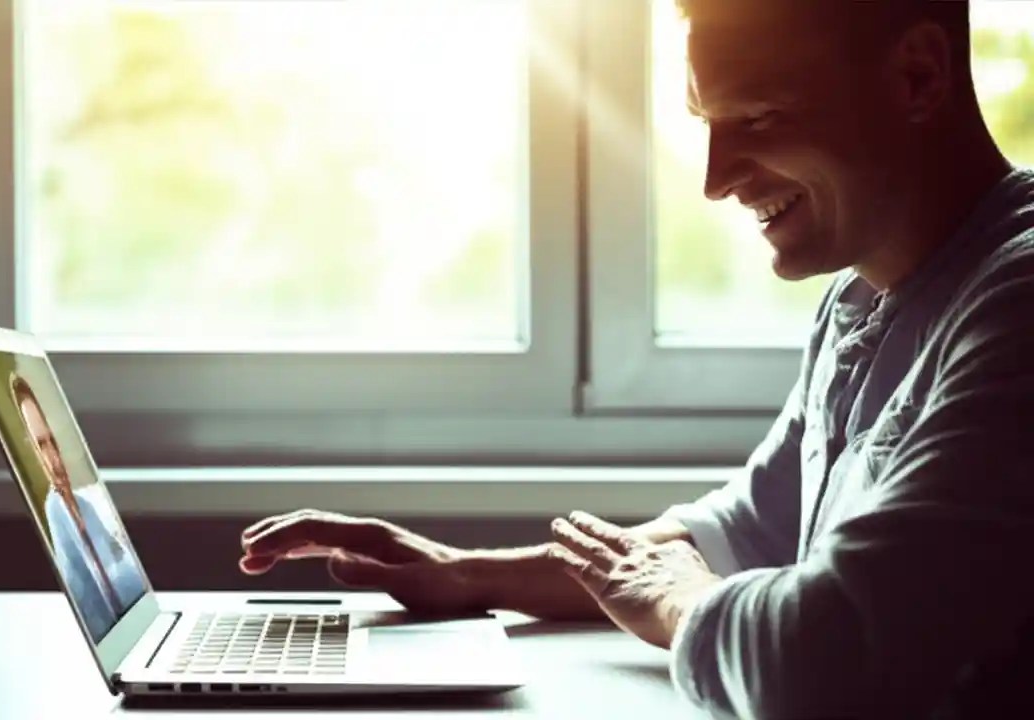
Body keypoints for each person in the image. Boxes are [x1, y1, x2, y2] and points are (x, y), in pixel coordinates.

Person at [236, 1, 1034, 717]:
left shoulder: (1019, 302)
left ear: (917, 76)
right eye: (706, 123)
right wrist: (471, 572)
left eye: (757, 119)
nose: (717, 180)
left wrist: (675, 603)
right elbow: (754, 531)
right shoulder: (864, 293)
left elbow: (819, 666)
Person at [11, 373, 145, 641]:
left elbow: (119, 582)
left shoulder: (86, 505)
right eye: (40, 445)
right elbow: (96, 602)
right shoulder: (57, 510)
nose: (53, 458)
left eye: (52, 442)